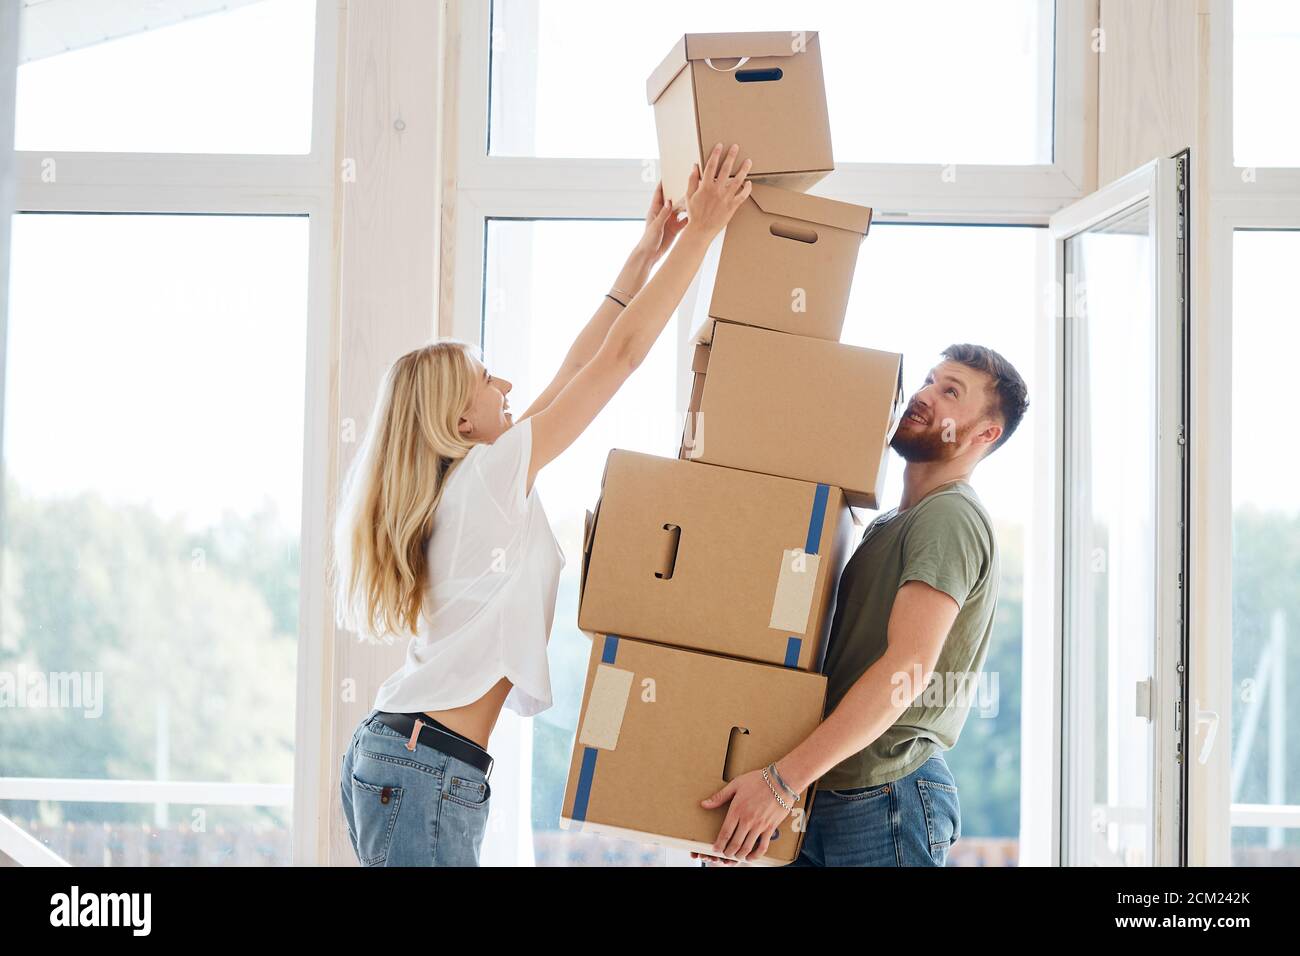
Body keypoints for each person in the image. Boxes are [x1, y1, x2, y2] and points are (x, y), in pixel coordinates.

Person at [333, 144, 752, 866]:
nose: (507, 385)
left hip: (415, 758)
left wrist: (646, 251)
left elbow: (575, 369)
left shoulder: (473, 485)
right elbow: (615, 362)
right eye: (487, 378)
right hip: (423, 766)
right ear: (459, 421)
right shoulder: (487, 479)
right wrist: (704, 232)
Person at [692, 344, 1030, 867]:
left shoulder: (950, 517)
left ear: (986, 434)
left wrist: (781, 785)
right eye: (929, 381)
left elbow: (907, 670)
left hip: (885, 792)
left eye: (950, 392)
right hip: (829, 788)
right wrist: (767, 800)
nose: (923, 396)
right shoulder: (886, 525)